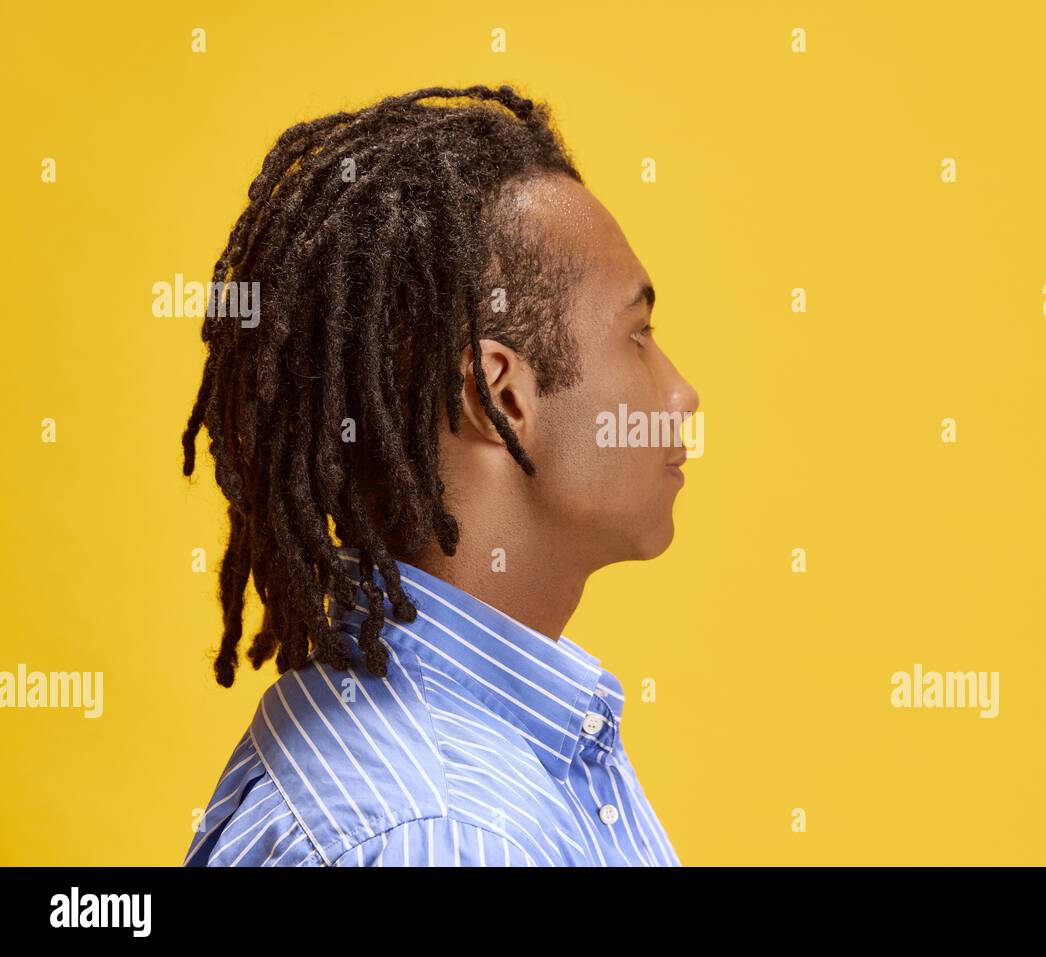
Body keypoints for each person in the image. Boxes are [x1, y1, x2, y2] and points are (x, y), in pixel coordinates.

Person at [180, 84, 699, 866]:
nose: (680, 393)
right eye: (639, 335)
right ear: (502, 394)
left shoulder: (499, 752)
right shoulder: (445, 832)